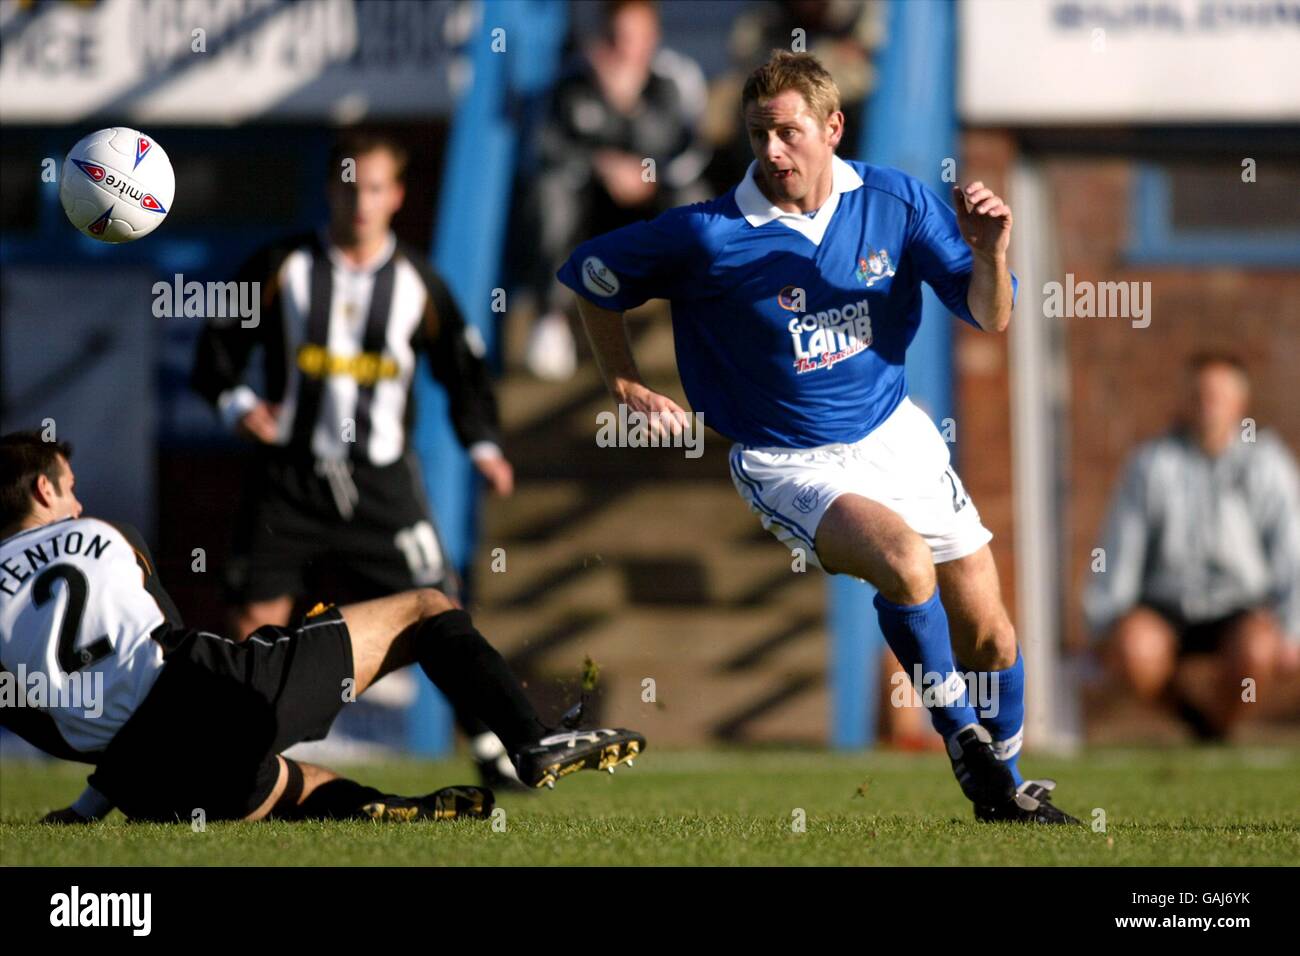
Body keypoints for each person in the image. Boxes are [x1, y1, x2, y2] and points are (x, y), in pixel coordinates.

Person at [560, 51, 1076, 823]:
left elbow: (990, 315)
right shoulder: (709, 234)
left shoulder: (895, 202)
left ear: (833, 128)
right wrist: (624, 382)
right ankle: (962, 739)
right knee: (903, 563)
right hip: (788, 458)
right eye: (758, 134)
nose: (771, 151)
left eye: (788, 132)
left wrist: (992, 251)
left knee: (994, 641)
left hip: (894, 435)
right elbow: (591, 276)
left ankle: (1006, 787)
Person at [0, 431, 644, 824]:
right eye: (70, 487)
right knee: (426, 608)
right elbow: (164, 673)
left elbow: (52, 724)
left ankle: (392, 812)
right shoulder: (103, 534)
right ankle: (531, 739)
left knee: (294, 784)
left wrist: (87, 809)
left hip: (148, 783)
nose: (79, 501)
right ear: (43, 491)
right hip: (210, 702)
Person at [191, 132, 523, 788]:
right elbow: (215, 350)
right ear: (329, 189)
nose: (361, 202)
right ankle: (238, 755)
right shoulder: (281, 266)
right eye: (349, 187)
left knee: (439, 609)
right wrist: (237, 403)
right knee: (254, 619)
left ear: (396, 195)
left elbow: (463, 370)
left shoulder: (418, 283)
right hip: (289, 477)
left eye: (374, 188)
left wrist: (483, 446)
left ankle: (490, 743)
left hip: (381, 482)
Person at [1085, 353, 1300, 740]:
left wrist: (1293, 628)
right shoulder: (1150, 463)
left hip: (1242, 608)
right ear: (1184, 401)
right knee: (1134, 651)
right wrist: (1104, 623)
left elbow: (1290, 549)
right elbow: (1120, 547)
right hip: (1165, 606)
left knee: (1257, 651)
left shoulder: (1268, 463)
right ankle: (1196, 721)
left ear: (1240, 403)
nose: (1208, 405)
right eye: (1200, 395)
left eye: (1219, 396)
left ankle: (1220, 728)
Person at [521, 0, 710, 380]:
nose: (626, 48)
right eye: (617, 36)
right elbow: (545, 149)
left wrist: (645, 158)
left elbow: (692, 151)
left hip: (654, 205)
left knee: (694, 200)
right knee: (550, 192)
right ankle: (552, 317)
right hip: (592, 209)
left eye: (636, 37)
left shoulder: (676, 78)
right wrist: (602, 165)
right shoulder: (573, 79)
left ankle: (703, 312)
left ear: (654, 37)